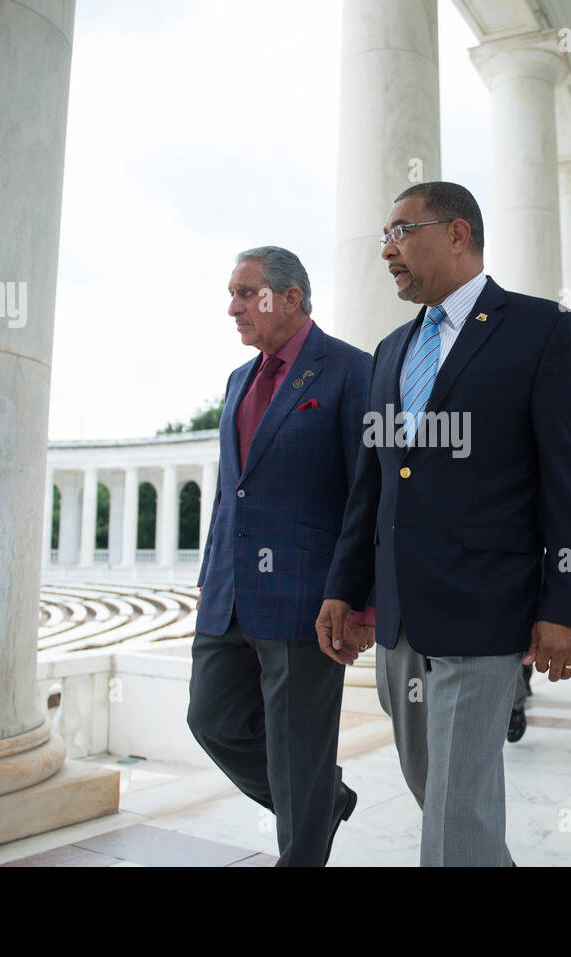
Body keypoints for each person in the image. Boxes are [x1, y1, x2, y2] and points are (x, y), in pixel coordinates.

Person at [317, 182, 571, 866]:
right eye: (384, 236)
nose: (386, 250)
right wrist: (345, 588)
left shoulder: (543, 328)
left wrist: (567, 606)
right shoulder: (388, 350)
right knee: (438, 788)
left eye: (400, 232)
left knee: (455, 804)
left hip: (486, 609)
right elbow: (373, 485)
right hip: (400, 616)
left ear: (457, 233)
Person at [186, 247, 372, 866]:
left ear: (290, 298)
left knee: (300, 751)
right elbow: (228, 493)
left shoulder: (351, 372)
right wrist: (209, 578)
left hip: (306, 601)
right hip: (228, 596)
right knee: (211, 720)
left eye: (246, 293)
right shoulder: (238, 380)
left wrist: (359, 601)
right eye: (233, 293)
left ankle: (304, 841)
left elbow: (365, 496)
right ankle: (323, 801)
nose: (232, 307)